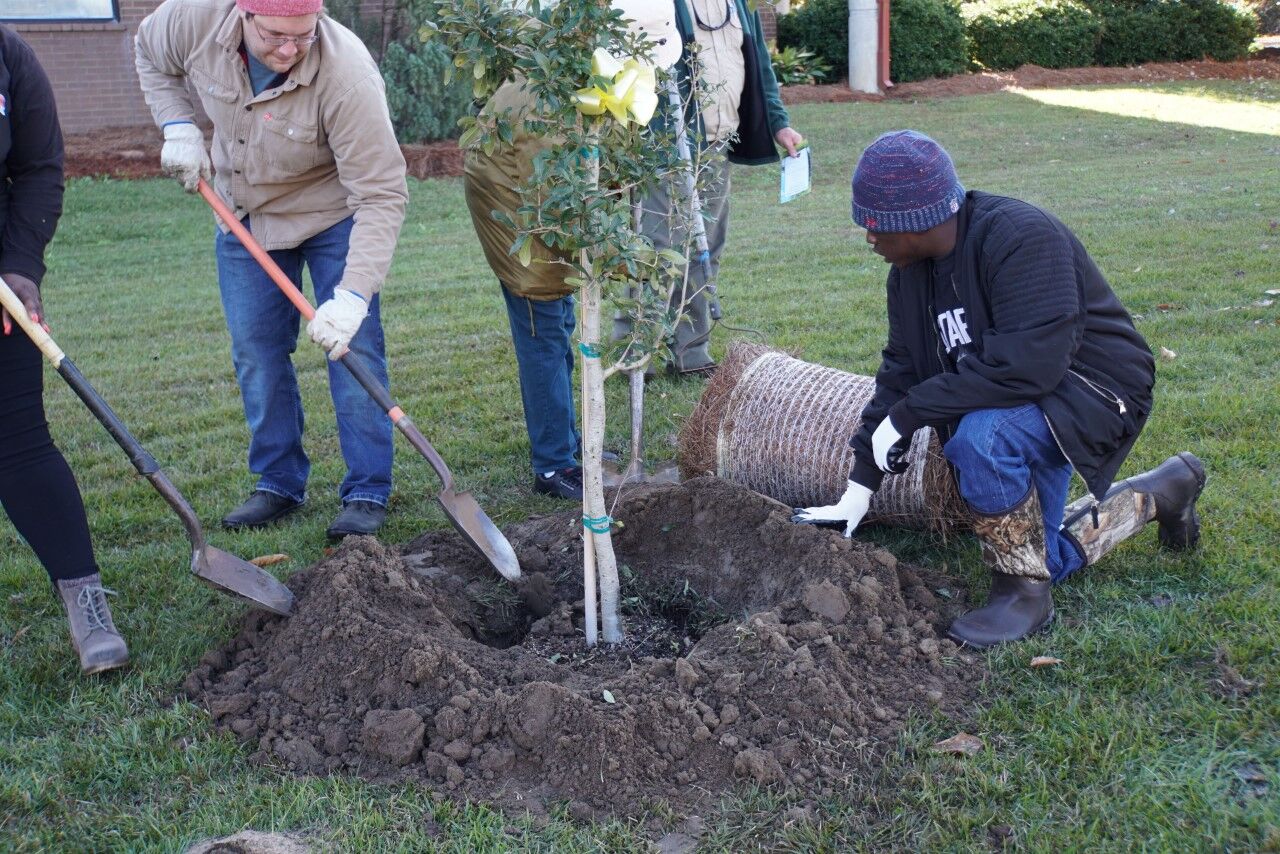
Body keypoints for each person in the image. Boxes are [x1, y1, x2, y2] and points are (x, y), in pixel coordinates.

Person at [794, 130, 1206, 648]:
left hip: (1096, 387)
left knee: (981, 438)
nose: (868, 238)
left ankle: (1022, 596)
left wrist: (910, 415)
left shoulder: (1021, 237)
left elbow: (1029, 367)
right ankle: (1162, 491)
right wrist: (859, 489)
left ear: (914, 221)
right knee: (1037, 553)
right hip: (1024, 392)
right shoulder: (909, 277)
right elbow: (900, 372)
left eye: (873, 225)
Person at [135, 0, 408, 538]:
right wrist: (177, 125)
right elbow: (148, 50)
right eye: (276, 36)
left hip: (332, 216)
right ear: (243, 14)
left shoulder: (348, 73)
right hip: (245, 214)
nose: (289, 50)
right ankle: (279, 482)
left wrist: (352, 296)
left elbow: (381, 194)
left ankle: (367, 491)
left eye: (303, 36)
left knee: (353, 349)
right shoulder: (194, 18)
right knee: (257, 352)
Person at [463, 0, 681, 501]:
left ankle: (569, 440)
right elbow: (555, 203)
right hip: (522, 221)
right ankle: (553, 464)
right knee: (542, 336)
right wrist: (617, 253)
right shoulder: (549, 101)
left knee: (558, 325)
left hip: (534, 207)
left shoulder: (575, 71)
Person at [1, 25, 129, 674]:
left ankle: (85, 601)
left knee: (20, 440)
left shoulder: (9, 55)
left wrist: (20, 265)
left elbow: (38, 167)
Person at [613, 0, 805, 376]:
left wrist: (779, 123)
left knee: (707, 249)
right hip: (665, 147)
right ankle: (637, 353)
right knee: (657, 249)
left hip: (717, 145)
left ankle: (691, 351)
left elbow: (759, 64)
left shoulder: (740, 4)